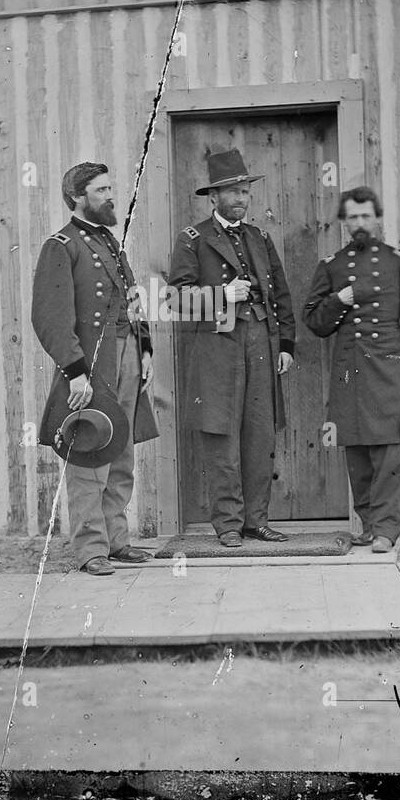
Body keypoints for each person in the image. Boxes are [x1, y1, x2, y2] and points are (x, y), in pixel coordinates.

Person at [31, 163, 159, 575]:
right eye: (101, 190)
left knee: (120, 452)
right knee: (89, 455)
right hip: (91, 365)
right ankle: (91, 550)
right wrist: (75, 372)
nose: (111, 195)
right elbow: (50, 317)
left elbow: (132, 302)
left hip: (125, 359)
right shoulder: (61, 246)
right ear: (77, 198)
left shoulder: (110, 243)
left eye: (110, 187)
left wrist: (145, 352)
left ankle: (117, 541)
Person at [167, 149, 296, 546]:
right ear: (214, 197)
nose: (241, 199)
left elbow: (281, 294)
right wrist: (223, 293)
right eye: (232, 192)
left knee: (260, 434)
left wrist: (286, 344)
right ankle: (227, 525)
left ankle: (256, 520)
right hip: (217, 347)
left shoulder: (259, 237)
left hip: (260, 341)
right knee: (221, 436)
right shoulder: (193, 239)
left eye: (245, 191)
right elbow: (175, 300)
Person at [302, 186, 400, 552]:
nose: (360, 223)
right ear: (343, 222)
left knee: (391, 451)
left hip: (390, 367)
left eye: (366, 216)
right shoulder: (331, 265)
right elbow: (314, 321)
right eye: (352, 217)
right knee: (358, 452)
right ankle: (368, 524)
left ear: (376, 219)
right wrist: (340, 298)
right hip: (350, 371)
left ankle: (386, 531)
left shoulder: (399, 261)